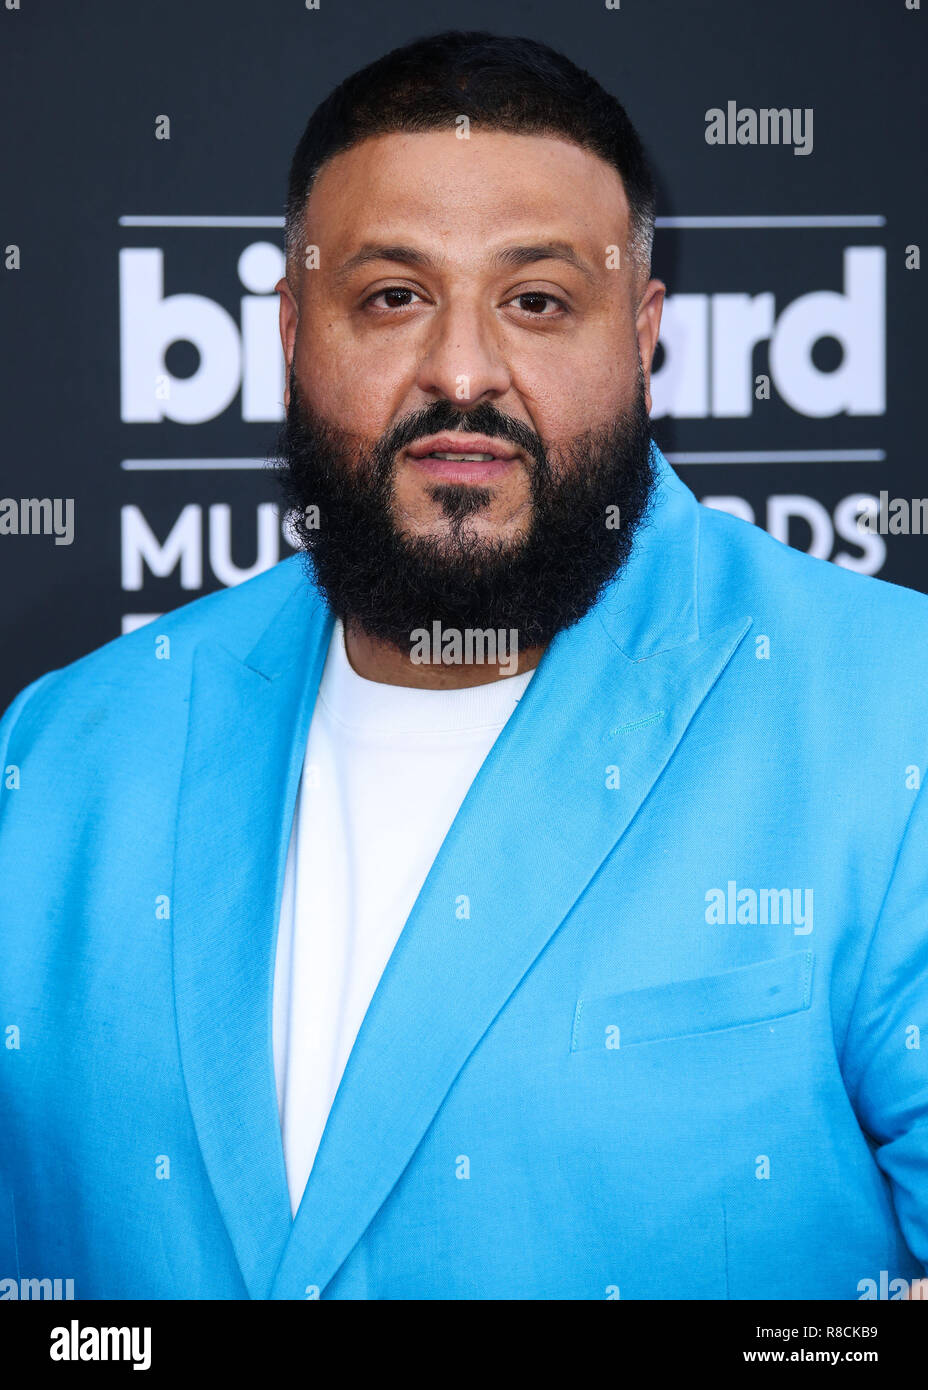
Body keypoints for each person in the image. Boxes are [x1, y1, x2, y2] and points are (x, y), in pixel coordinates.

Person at [1, 30, 926, 1301]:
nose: (461, 370)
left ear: (646, 335)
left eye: (537, 300)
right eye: (392, 296)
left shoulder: (891, 714)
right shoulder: (58, 756)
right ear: (286, 329)